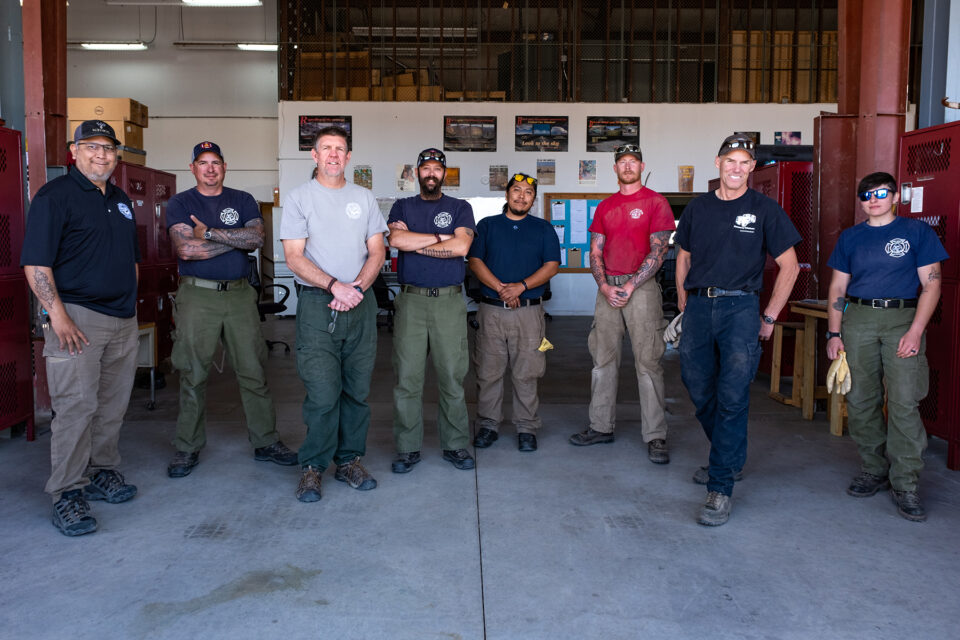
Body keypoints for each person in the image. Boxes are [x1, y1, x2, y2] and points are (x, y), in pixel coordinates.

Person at [21, 120, 140, 536]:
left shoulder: (120, 200)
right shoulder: (54, 197)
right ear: (74, 152)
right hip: (77, 319)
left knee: (111, 405)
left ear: (116, 155)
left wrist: (130, 304)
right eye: (91, 146)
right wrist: (58, 316)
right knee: (75, 408)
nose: (101, 154)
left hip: (122, 320)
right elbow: (37, 264)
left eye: (108, 147)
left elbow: (131, 258)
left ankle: (102, 470)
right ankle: (67, 493)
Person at [675, 133, 800, 526]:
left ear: (752, 168)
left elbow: (790, 265)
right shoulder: (698, 208)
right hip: (699, 306)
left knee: (732, 396)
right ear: (718, 163)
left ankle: (720, 487)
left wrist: (770, 316)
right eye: (731, 160)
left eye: (745, 162)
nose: (737, 168)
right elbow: (683, 256)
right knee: (697, 386)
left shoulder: (764, 209)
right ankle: (727, 458)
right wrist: (684, 301)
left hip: (740, 308)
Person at [165, 141, 296, 478]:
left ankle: (266, 441)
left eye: (216, 162)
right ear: (193, 168)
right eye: (203, 163)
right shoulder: (181, 202)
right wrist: (235, 240)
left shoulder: (242, 199)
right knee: (193, 373)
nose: (210, 168)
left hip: (239, 296)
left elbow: (257, 239)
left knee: (253, 370)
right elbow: (186, 250)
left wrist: (209, 233)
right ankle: (187, 446)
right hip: (198, 296)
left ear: (225, 167)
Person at [826, 171, 947, 522]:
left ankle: (905, 483)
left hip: (902, 319)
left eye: (880, 193)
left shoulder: (917, 232)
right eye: (866, 195)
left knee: (904, 401)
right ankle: (873, 468)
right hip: (859, 318)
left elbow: (932, 285)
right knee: (861, 398)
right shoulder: (851, 238)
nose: (873, 200)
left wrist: (916, 331)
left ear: (895, 197)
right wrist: (834, 334)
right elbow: (838, 288)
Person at [280, 126, 386, 502]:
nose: (333, 155)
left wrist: (355, 288)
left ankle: (349, 461)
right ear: (314, 155)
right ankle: (313, 466)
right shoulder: (299, 198)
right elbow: (294, 257)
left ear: (348, 157)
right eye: (326, 148)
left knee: (357, 390)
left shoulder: (364, 197)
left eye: (340, 149)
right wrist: (333, 286)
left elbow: (377, 250)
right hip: (317, 304)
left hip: (360, 302)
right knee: (323, 392)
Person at [568, 144, 676, 465]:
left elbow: (659, 251)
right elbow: (595, 250)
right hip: (608, 289)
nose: (628, 166)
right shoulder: (606, 206)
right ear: (615, 169)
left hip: (641, 288)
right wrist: (604, 286)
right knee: (602, 360)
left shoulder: (656, 202)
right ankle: (601, 426)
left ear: (642, 166)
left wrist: (630, 285)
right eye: (622, 162)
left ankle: (655, 435)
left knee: (648, 362)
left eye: (633, 161)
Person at [387, 148, 477, 472]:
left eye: (437, 169)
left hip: (448, 304)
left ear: (444, 173)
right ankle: (407, 447)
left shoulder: (460, 207)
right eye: (425, 168)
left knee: (452, 377)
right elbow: (397, 241)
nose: (431, 173)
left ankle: (455, 445)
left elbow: (462, 246)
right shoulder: (402, 206)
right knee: (407, 378)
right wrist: (441, 239)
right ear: (417, 172)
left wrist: (417, 243)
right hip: (411, 301)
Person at [468, 172, 560, 452]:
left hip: (529, 314)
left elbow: (552, 266)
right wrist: (501, 288)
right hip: (491, 311)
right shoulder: (487, 225)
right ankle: (488, 425)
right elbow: (475, 261)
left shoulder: (543, 229)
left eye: (528, 193)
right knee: (488, 371)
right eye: (516, 190)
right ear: (507, 194)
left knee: (528, 371)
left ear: (533, 199)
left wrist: (521, 286)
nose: (522, 196)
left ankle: (526, 427)